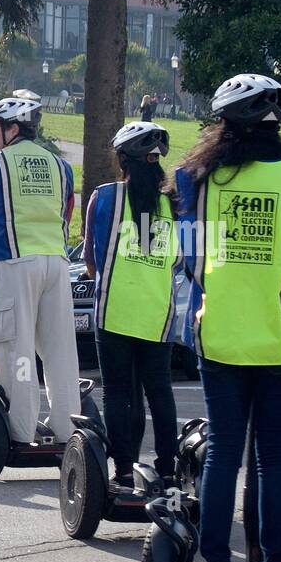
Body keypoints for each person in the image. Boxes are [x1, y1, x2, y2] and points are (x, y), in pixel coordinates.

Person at [172, 73, 281, 562]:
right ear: (276, 121)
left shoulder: (198, 182)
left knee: (220, 457)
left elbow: (190, 261)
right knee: (275, 460)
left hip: (219, 335)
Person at [0, 91, 78, 445]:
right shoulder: (61, 167)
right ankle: (67, 431)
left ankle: (20, 432)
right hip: (56, 266)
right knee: (60, 352)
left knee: (16, 350)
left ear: (12, 128)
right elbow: (64, 214)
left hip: (14, 265)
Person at [81, 122, 179, 488]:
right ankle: (168, 469)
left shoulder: (105, 198)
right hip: (157, 313)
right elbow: (179, 259)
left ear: (123, 158)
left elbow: (91, 260)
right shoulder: (175, 202)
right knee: (159, 392)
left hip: (115, 313)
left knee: (119, 393)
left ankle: (123, 469)